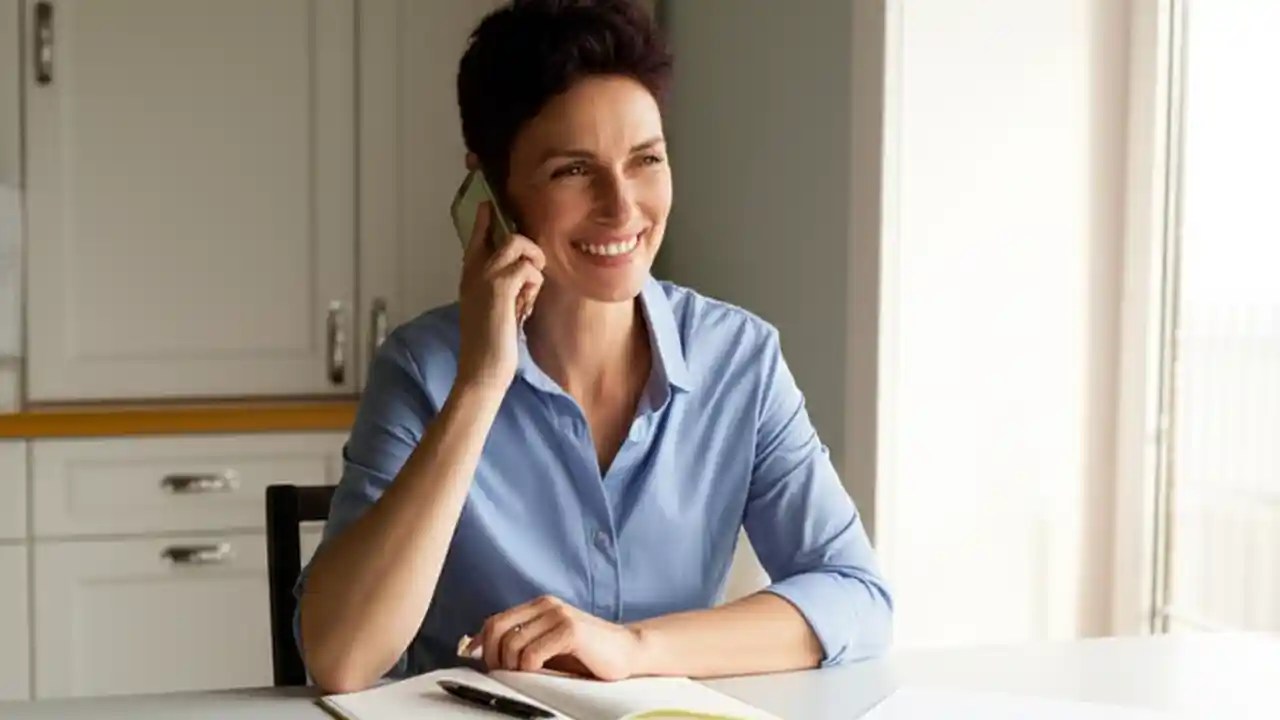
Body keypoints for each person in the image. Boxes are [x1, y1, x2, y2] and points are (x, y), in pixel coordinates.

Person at [295, 0, 892, 693]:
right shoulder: (423, 369)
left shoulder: (739, 360)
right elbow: (340, 659)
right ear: (491, 189)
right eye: (574, 170)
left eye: (645, 160)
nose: (622, 206)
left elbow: (856, 595)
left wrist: (634, 647)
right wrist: (483, 382)